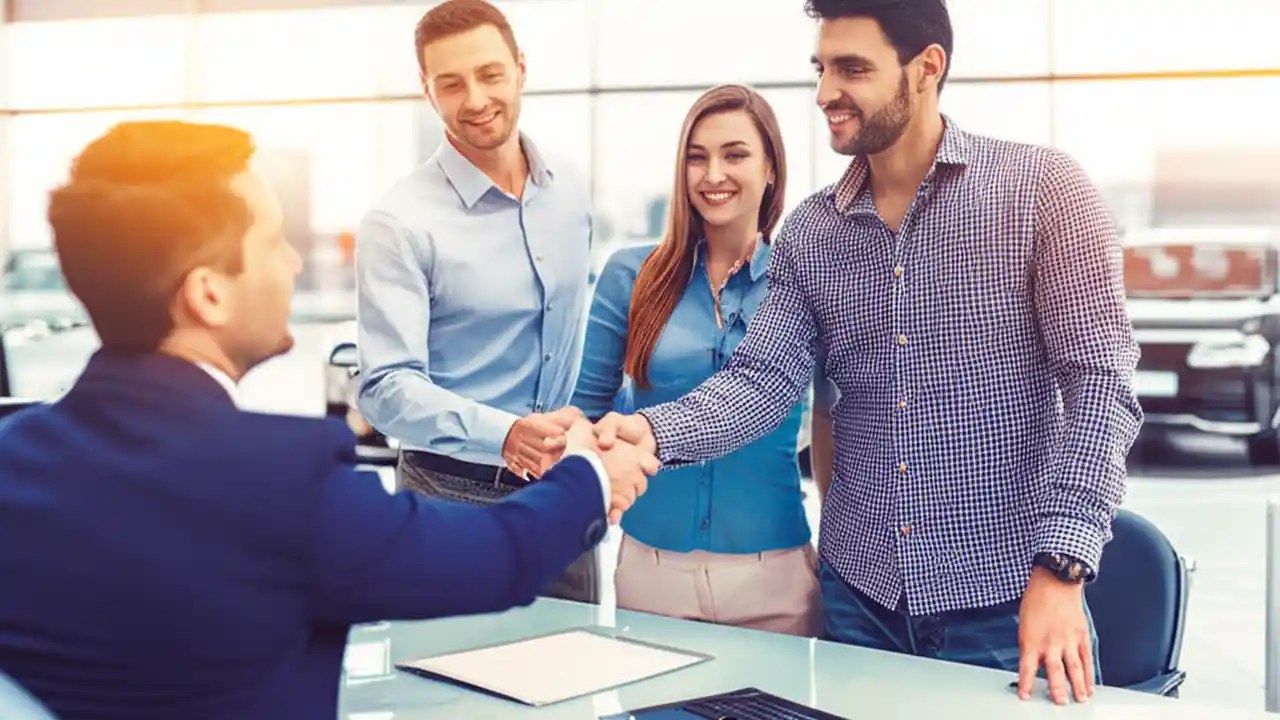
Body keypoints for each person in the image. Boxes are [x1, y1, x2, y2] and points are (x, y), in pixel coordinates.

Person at [0, 120, 655, 720]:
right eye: (272, 242)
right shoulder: (281, 484)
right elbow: (500, 558)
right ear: (208, 293)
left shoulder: (13, 459)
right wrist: (592, 473)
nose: (290, 262)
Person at [586, 0, 1142, 706]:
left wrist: (1062, 569)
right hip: (861, 601)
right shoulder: (813, 233)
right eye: (822, 68)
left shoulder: (1042, 192)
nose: (825, 93)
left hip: (1010, 600)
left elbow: (1101, 384)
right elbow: (759, 380)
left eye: (852, 68)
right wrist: (654, 430)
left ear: (926, 69)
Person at [355, 0, 600, 602]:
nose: (475, 99)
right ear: (426, 90)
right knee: (446, 687)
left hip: (563, 493)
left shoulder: (569, 190)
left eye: (490, 74)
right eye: (451, 83)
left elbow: (576, 336)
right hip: (450, 500)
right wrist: (506, 433)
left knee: (575, 677)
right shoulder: (399, 221)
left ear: (520, 68)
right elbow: (384, 388)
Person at [572, 85, 821, 636]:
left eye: (735, 155)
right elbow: (586, 417)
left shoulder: (804, 282)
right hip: (650, 572)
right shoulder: (630, 277)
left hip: (774, 575)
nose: (713, 175)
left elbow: (828, 422)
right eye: (697, 157)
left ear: (772, 170)